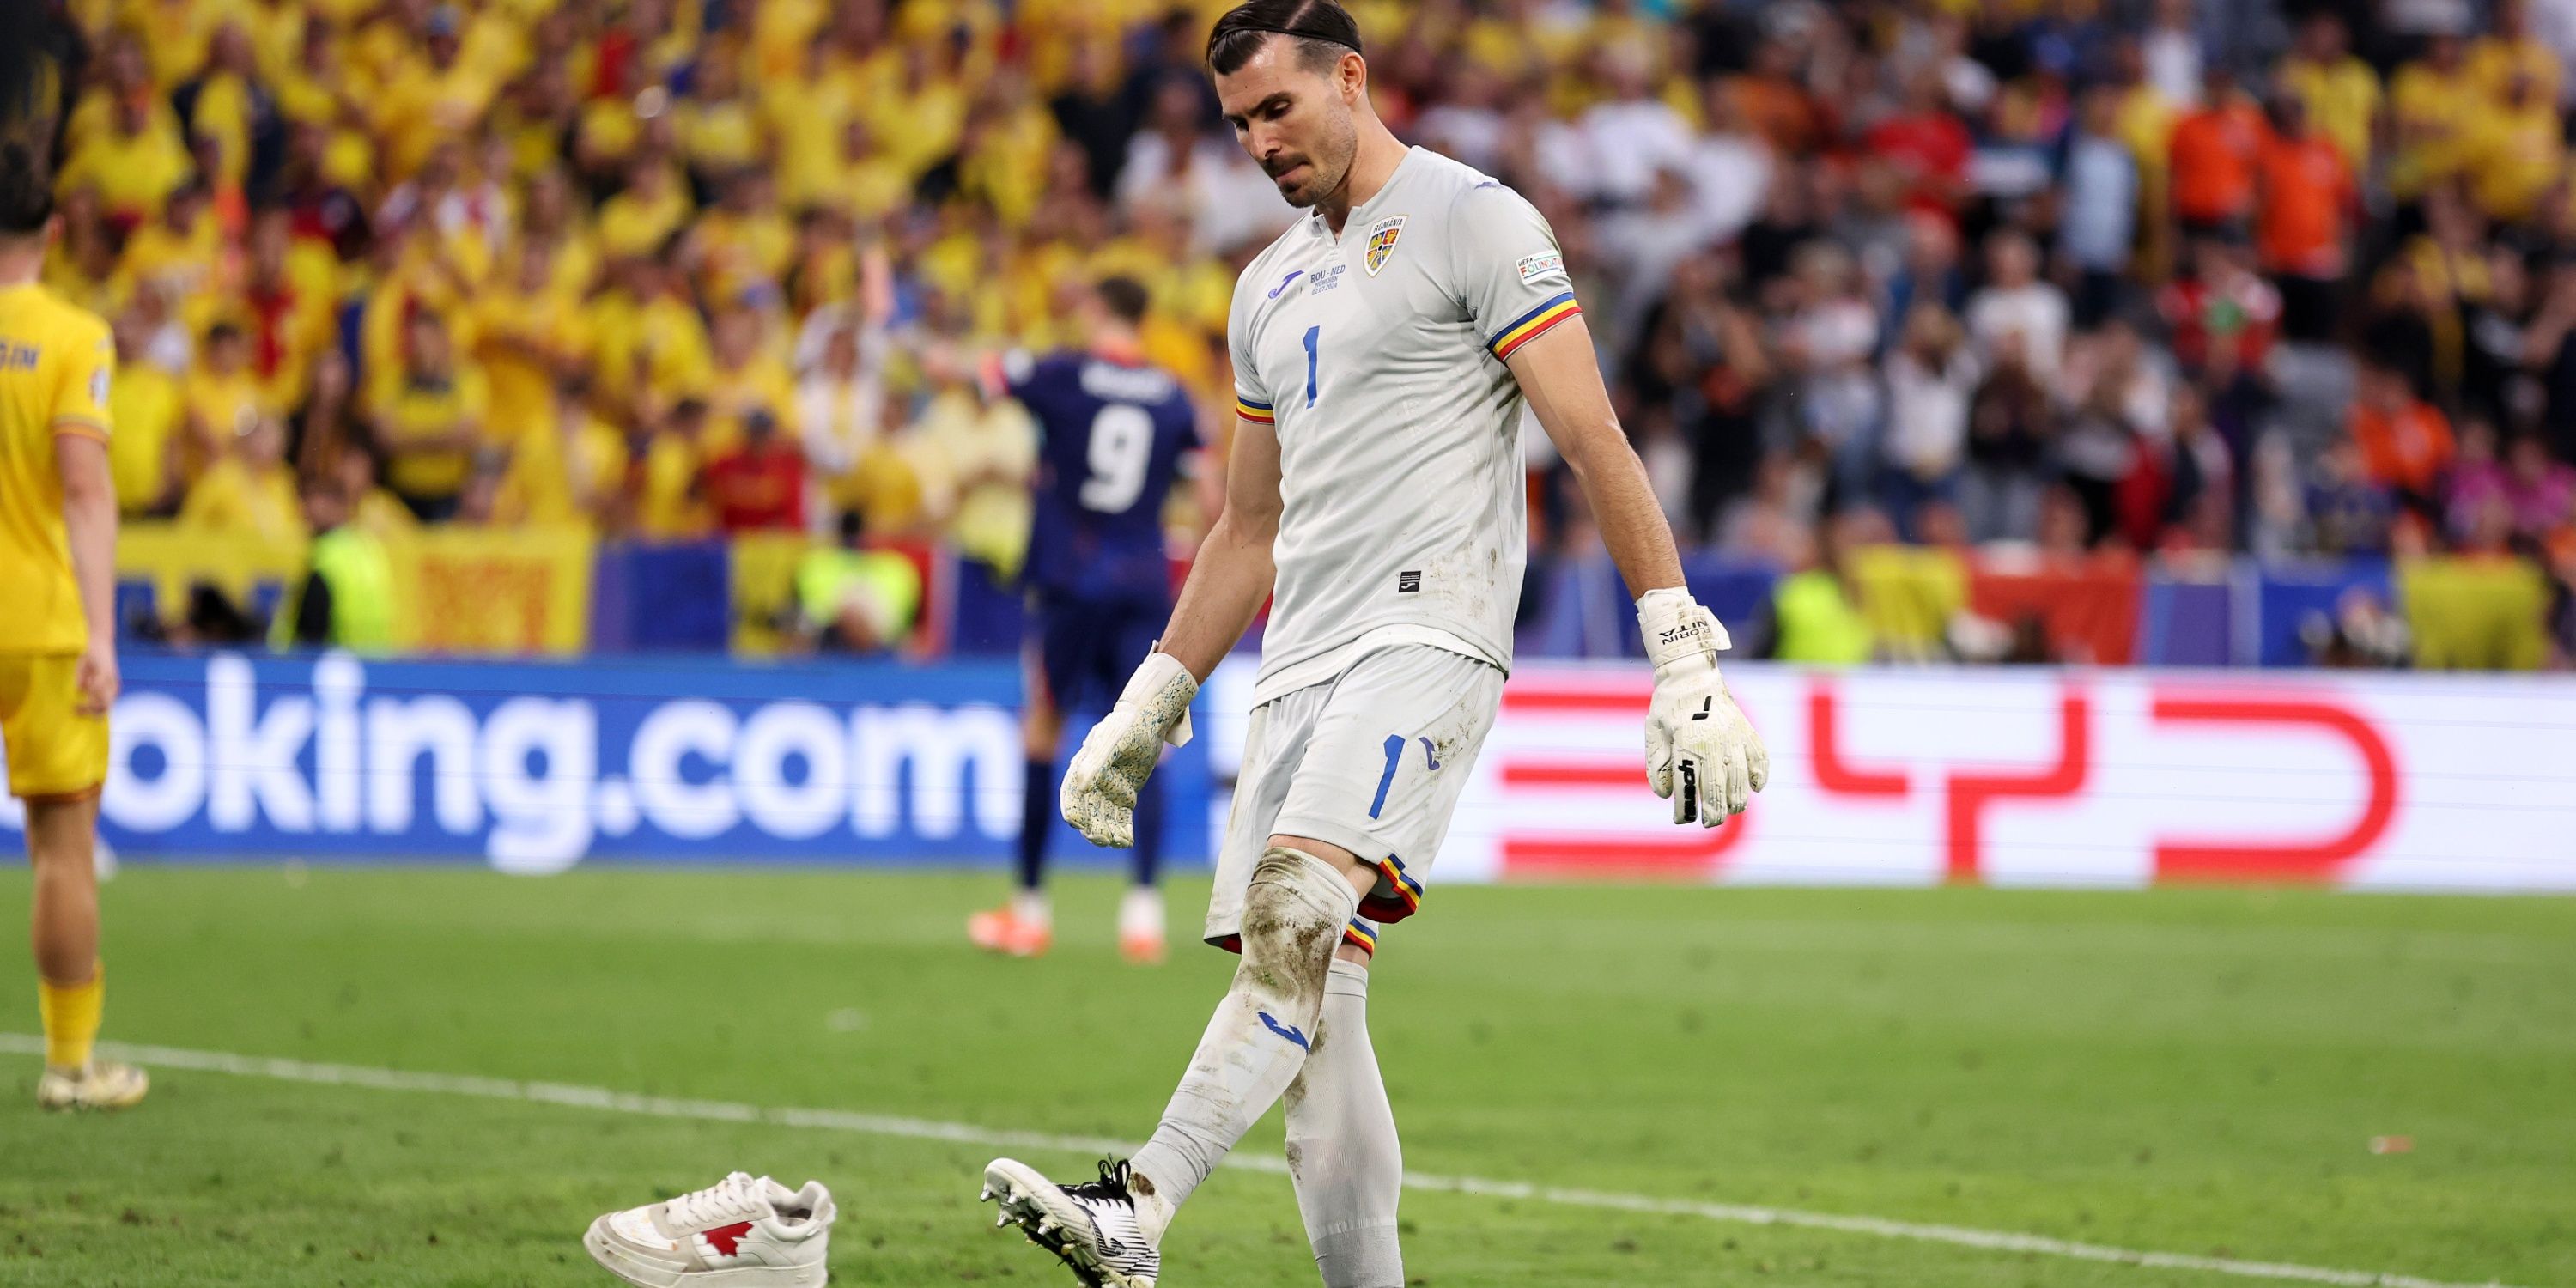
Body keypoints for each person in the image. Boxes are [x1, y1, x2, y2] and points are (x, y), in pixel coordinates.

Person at [972, 6, 1769, 1287]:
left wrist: (1678, 650)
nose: (1258, 143)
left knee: (1298, 906)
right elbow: (1246, 525)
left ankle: (1138, 1204)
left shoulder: (1478, 220)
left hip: (1429, 630)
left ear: (1352, 78)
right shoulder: (1263, 286)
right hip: (1298, 666)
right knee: (1316, 1011)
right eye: (1237, 125)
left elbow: (1593, 437)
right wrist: (1150, 703)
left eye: (1278, 110)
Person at [964, 276, 1201, 965]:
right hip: (1139, 579)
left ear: (1097, 309)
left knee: (1042, 728)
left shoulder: (1067, 373)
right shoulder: (1173, 393)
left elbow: (988, 379)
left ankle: (1031, 911)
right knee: (1144, 740)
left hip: (1070, 578)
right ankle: (1144, 918)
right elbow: (1204, 477)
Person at [0, 141, 149, 1112]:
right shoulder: (72, 335)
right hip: (42, 625)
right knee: (61, 844)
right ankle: (68, 1065)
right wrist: (103, 634)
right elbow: (86, 490)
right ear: (52, 232)